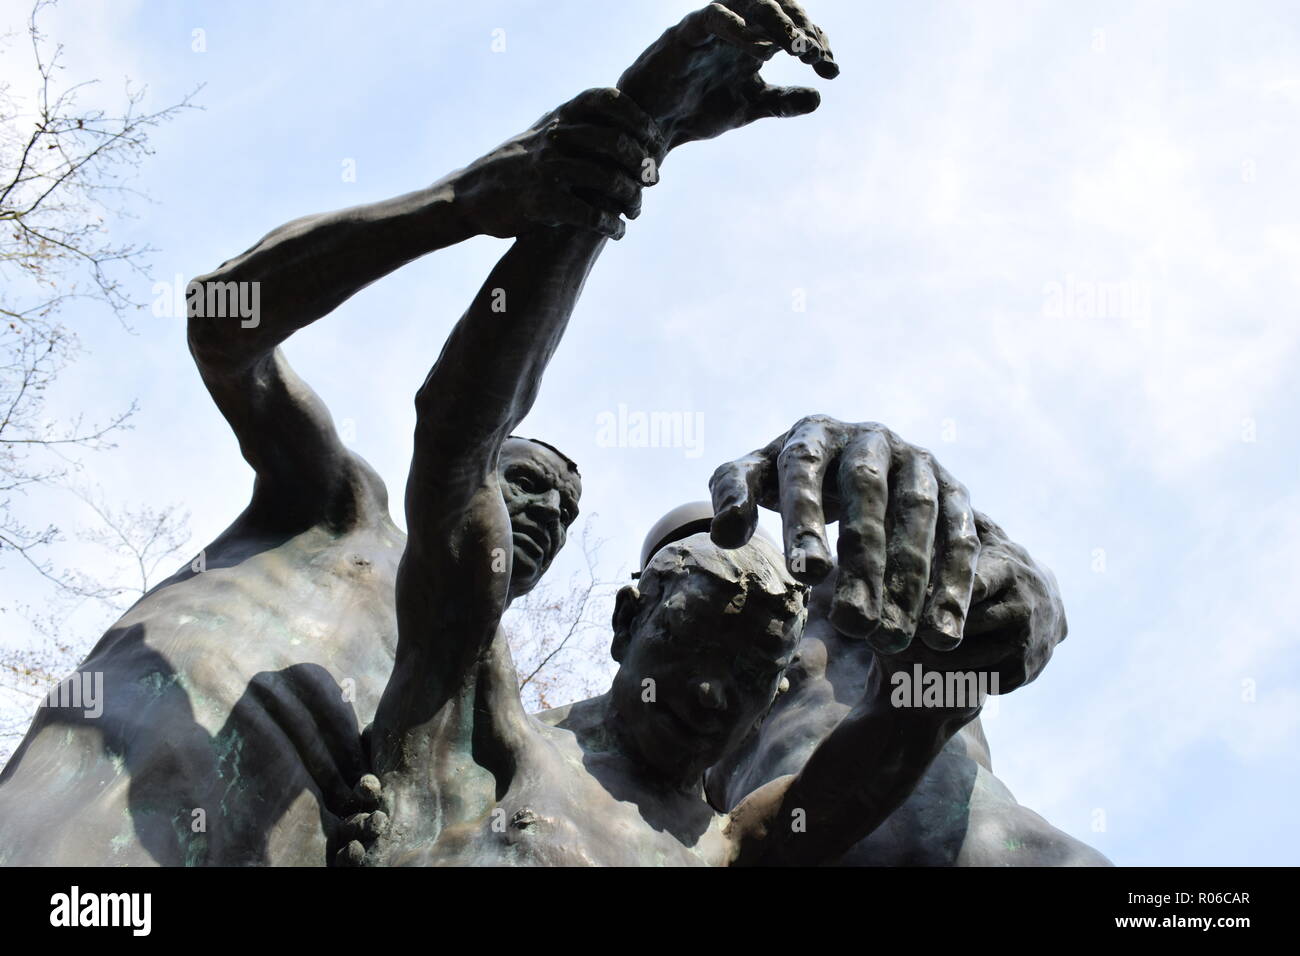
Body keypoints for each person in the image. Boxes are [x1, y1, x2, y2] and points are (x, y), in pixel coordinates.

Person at [0, 0, 844, 866]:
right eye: (524, 484)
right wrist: (460, 204)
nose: (544, 517)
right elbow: (223, 320)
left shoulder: (478, 712)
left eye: (561, 519)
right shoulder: (342, 512)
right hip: (104, 805)